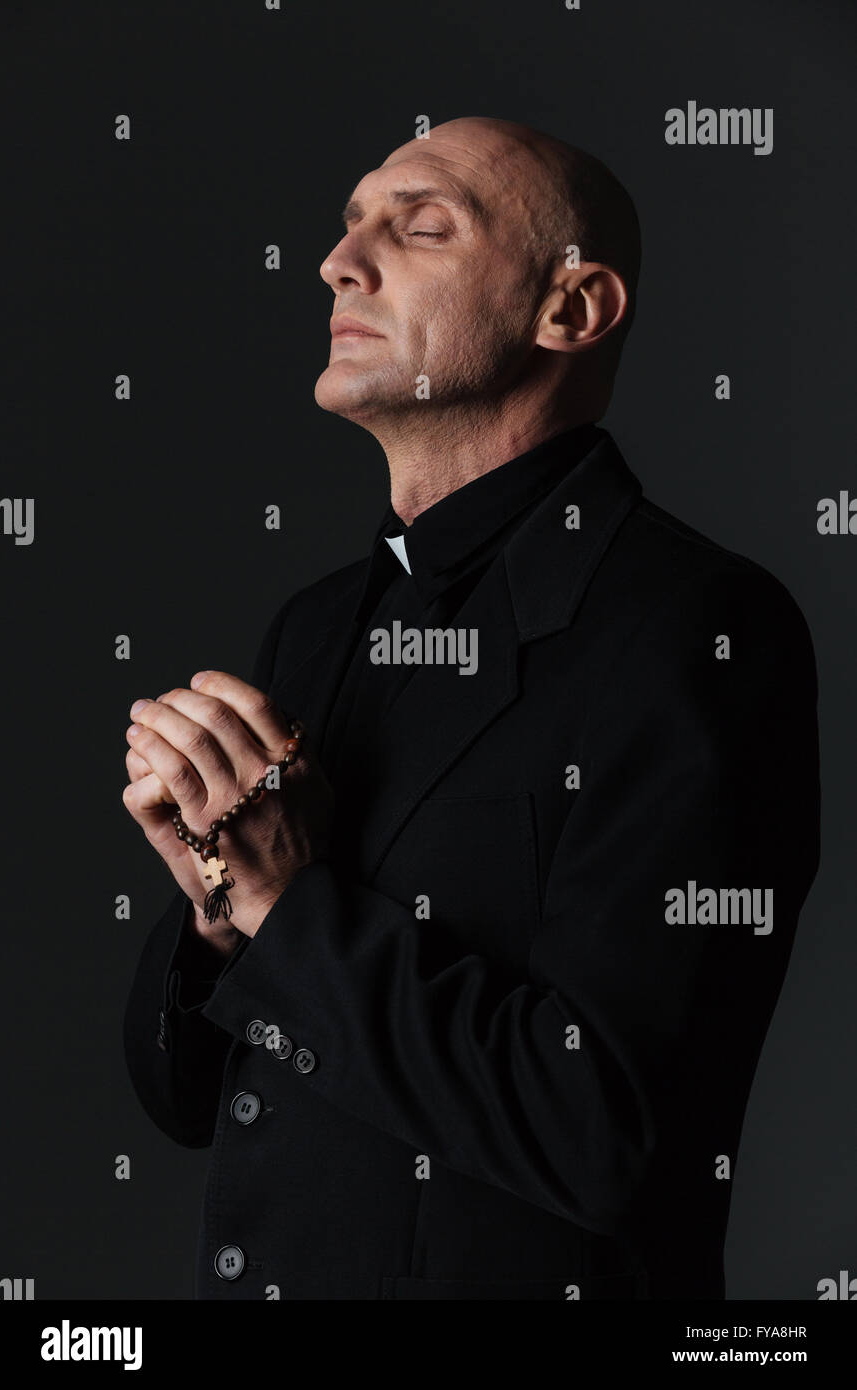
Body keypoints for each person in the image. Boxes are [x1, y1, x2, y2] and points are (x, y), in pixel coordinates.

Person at [122, 117, 820, 1300]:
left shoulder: (699, 626)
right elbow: (190, 1101)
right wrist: (216, 912)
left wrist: (285, 903)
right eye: (349, 224)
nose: (338, 262)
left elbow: (610, 1133)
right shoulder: (313, 624)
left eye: (421, 227)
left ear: (572, 308)